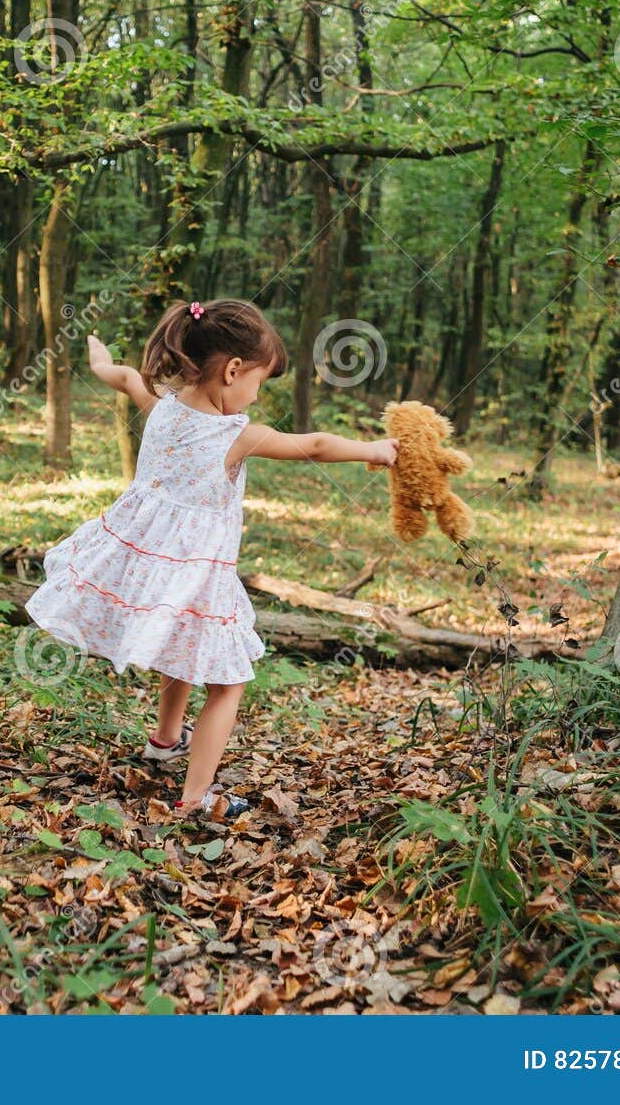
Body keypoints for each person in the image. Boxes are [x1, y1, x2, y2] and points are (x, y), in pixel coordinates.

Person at [25, 299, 397, 818]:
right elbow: (313, 445)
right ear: (233, 370)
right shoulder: (234, 435)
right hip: (197, 573)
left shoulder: (165, 406)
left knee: (181, 649)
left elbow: (127, 377)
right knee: (228, 684)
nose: (256, 396)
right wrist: (374, 450)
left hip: (152, 565)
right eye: (259, 383)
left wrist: (99, 361)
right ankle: (195, 799)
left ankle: (165, 740)